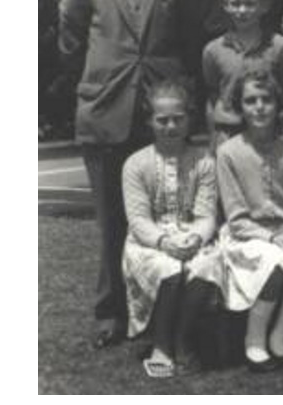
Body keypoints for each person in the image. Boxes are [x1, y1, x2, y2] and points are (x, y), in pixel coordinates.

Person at [58, 0, 195, 349]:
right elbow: (71, 43)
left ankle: (160, 307)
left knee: (165, 211)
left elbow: (188, 43)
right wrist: (100, 83)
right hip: (105, 111)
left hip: (163, 114)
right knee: (112, 219)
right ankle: (111, 312)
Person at [215, 69, 283, 372]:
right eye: (251, 100)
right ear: (240, 107)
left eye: (267, 99)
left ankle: (279, 337)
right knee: (275, 258)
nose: (260, 106)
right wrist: (272, 239)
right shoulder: (228, 152)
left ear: (279, 106)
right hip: (247, 236)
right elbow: (235, 216)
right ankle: (254, 340)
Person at [121, 79, 224, 378]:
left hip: (192, 235)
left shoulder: (204, 161)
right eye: (162, 120)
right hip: (149, 241)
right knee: (168, 269)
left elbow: (207, 214)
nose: (170, 126)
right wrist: (164, 241)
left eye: (178, 119)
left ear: (189, 119)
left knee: (207, 264)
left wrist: (196, 237)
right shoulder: (135, 164)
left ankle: (184, 339)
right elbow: (138, 220)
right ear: (149, 122)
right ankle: (162, 344)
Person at [201, 0, 283, 149]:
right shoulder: (214, 50)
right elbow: (212, 97)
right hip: (228, 134)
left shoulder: (281, 47)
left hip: (270, 135)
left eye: (250, 4)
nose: (242, 10)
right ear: (225, 5)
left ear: (264, 5)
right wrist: (214, 138)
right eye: (236, 3)